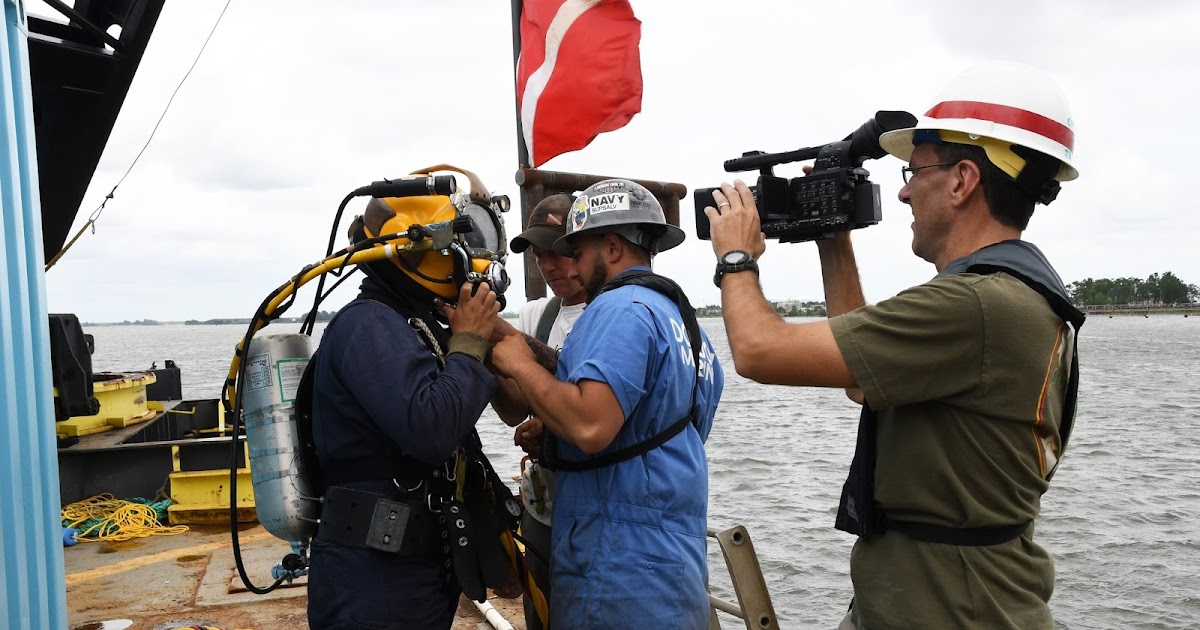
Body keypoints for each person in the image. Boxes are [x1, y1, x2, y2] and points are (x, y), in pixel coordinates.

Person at [704, 61, 1084, 629]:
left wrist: (736, 258)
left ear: (961, 181)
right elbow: (864, 380)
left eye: (914, 170)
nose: (903, 191)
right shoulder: (1010, 295)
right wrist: (833, 237)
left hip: (951, 610)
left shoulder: (974, 306)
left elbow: (759, 351)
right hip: (931, 596)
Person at [490, 179, 725, 629]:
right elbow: (660, 433)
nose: (572, 269)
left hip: (617, 570)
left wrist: (520, 364)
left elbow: (590, 426)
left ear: (612, 247)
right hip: (673, 567)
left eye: (577, 253)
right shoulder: (689, 328)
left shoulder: (618, 308)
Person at [305, 169, 520, 629]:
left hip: (408, 573)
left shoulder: (409, 326)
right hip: (372, 579)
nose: (473, 263)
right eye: (461, 247)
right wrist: (468, 344)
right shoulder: (368, 325)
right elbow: (431, 429)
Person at [492, 193, 587, 630]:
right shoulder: (536, 314)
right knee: (543, 611)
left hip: (597, 502)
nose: (549, 266)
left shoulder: (618, 312)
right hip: (545, 499)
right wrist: (481, 350)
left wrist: (548, 422)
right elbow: (513, 410)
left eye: (561, 252)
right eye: (539, 254)